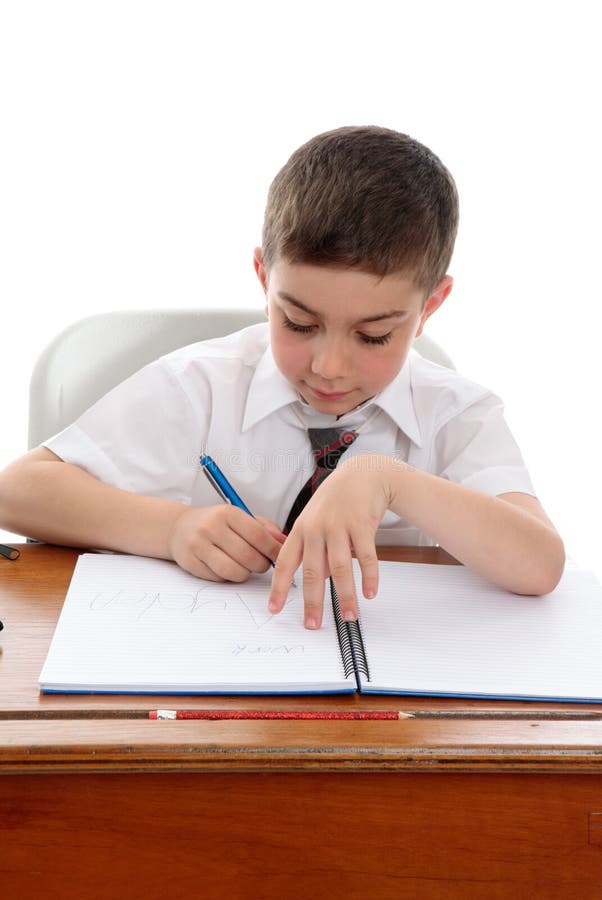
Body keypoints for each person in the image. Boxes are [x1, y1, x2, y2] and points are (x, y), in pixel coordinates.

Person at [0, 126, 565, 629]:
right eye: (297, 322)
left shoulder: (456, 414)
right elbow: (15, 491)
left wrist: (389, 479)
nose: (329, 366)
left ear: (430, 307)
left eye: (372, 336)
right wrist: (170, 528)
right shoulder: (201, 386)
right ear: (263, 278)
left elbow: (540, 563)